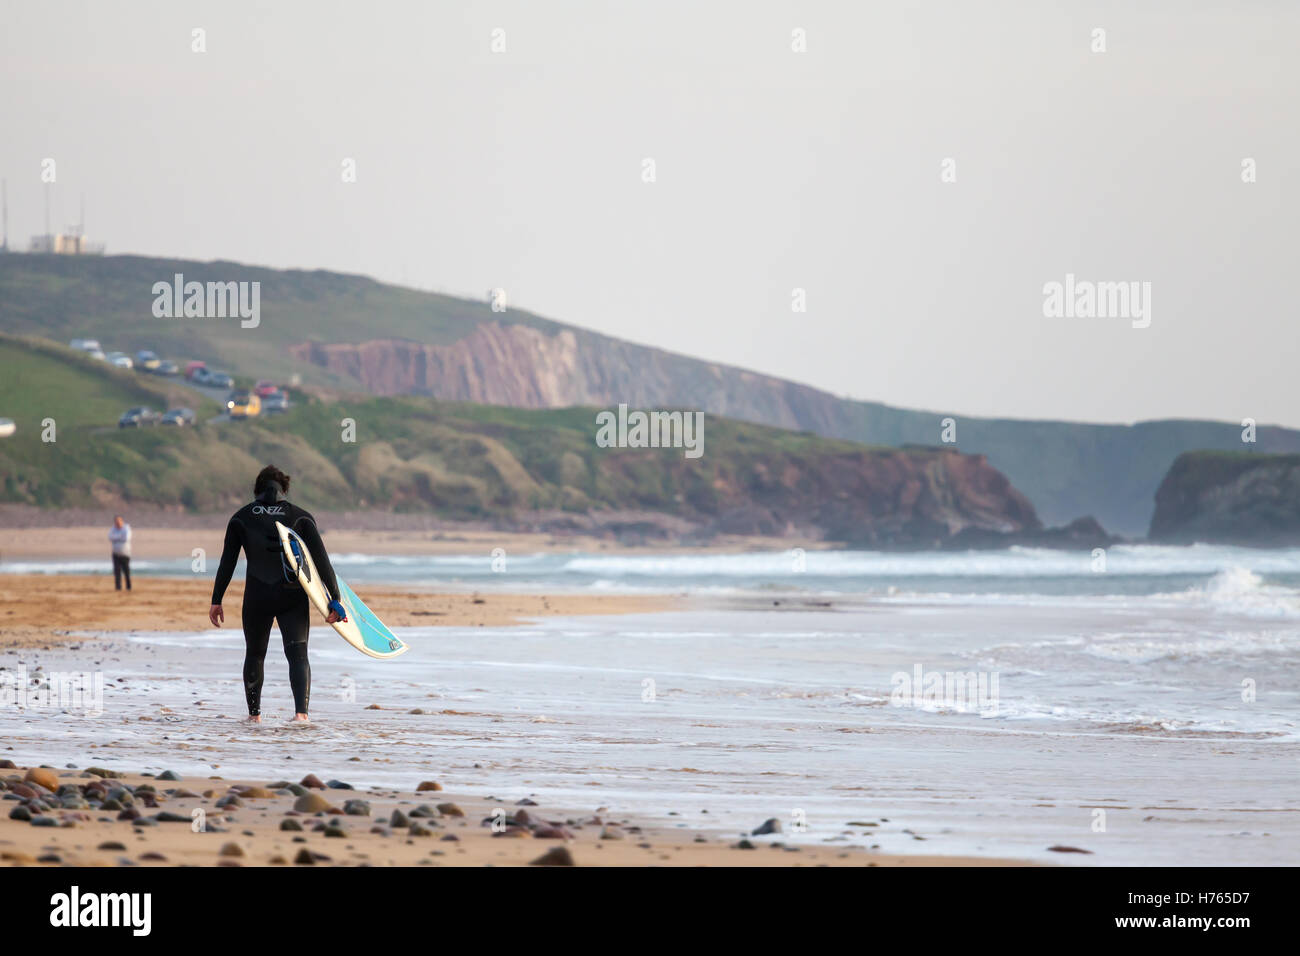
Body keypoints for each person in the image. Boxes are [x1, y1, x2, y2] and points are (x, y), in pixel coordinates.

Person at [208, 465, 346, 723]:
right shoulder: (301, 517)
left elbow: (227, 562)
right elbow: (321, 561)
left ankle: (254, 717)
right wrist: (334, 599)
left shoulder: (241, 518)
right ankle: (301, 715)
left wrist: (217, 600)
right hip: (291, 597)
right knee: (298, 654)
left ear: (257, 490)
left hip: (257, 596)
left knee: (254, 653)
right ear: (285, 489)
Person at [109, 515, 132, 591]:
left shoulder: (126, 528)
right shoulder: (113, 529)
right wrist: (120, 537)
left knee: (126, 571)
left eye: (119, 521)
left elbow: (126, 538)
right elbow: (110, 537)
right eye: (116, 521)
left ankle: (128, 587)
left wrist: (116, 538)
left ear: (122, 521)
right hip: (115, 553)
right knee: (117, 571)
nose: (118, 522)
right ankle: (118, 588)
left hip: (125, 553)